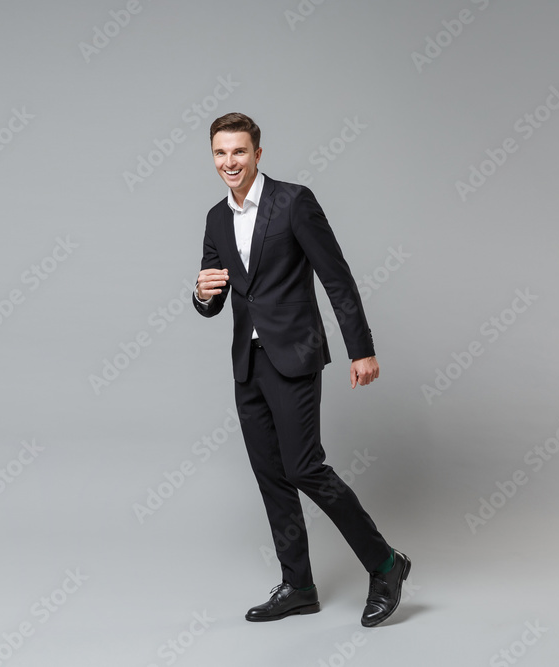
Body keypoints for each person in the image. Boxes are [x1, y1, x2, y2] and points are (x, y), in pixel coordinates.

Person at [192, 112, 409, 627]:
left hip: (294, 354)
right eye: (221, 153)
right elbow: (213, 296)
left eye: (239, 152)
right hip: (247, 364)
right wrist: (200, 294)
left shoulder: (293, 201)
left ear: (258, 154)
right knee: (270, 475)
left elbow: (337, 277)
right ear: (213, 157)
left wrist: (362, 349)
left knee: (304, 466)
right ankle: (298, 585)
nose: (230, 162)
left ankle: (385, 564)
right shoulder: (215, 219)